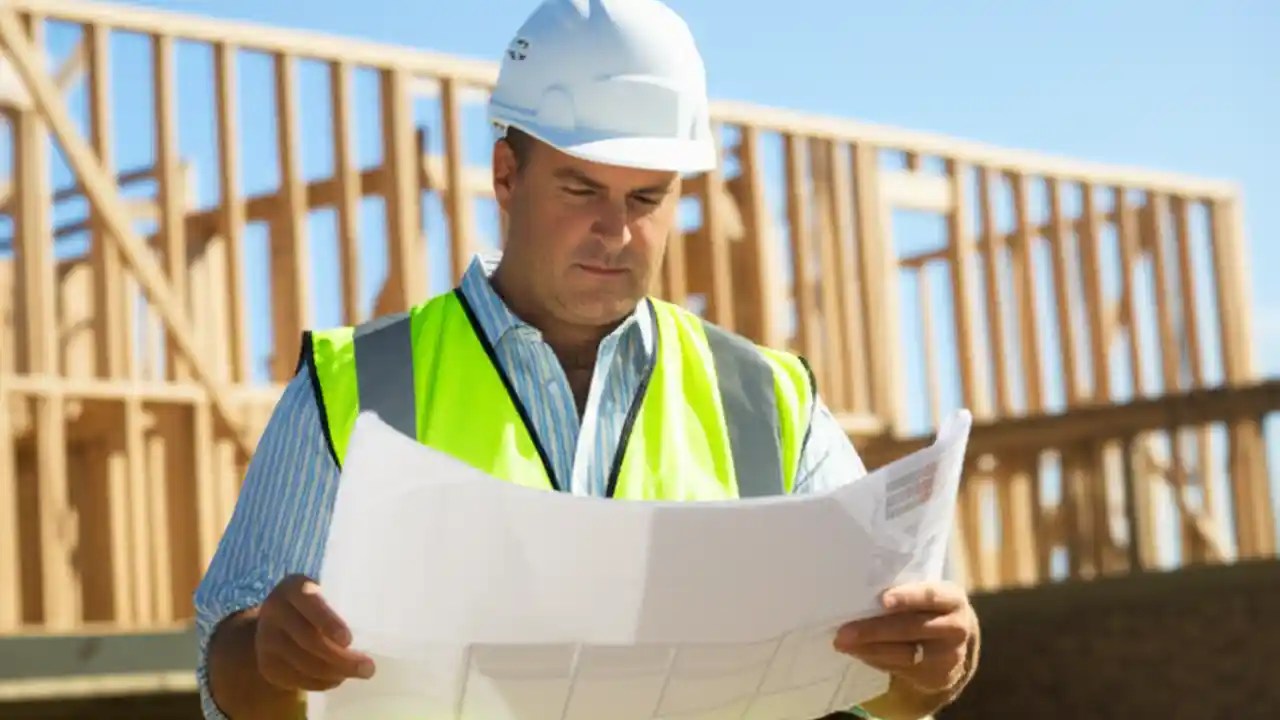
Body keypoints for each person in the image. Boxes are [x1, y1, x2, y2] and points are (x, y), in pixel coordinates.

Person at [193, 1, 980, 718]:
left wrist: (932, 664)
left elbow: (887, 684)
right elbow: (223, 677)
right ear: (507, 177)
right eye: (581, 190)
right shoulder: (354, 385)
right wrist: (271, 652)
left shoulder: (768, 402)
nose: (618, 232)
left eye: (646, 199)